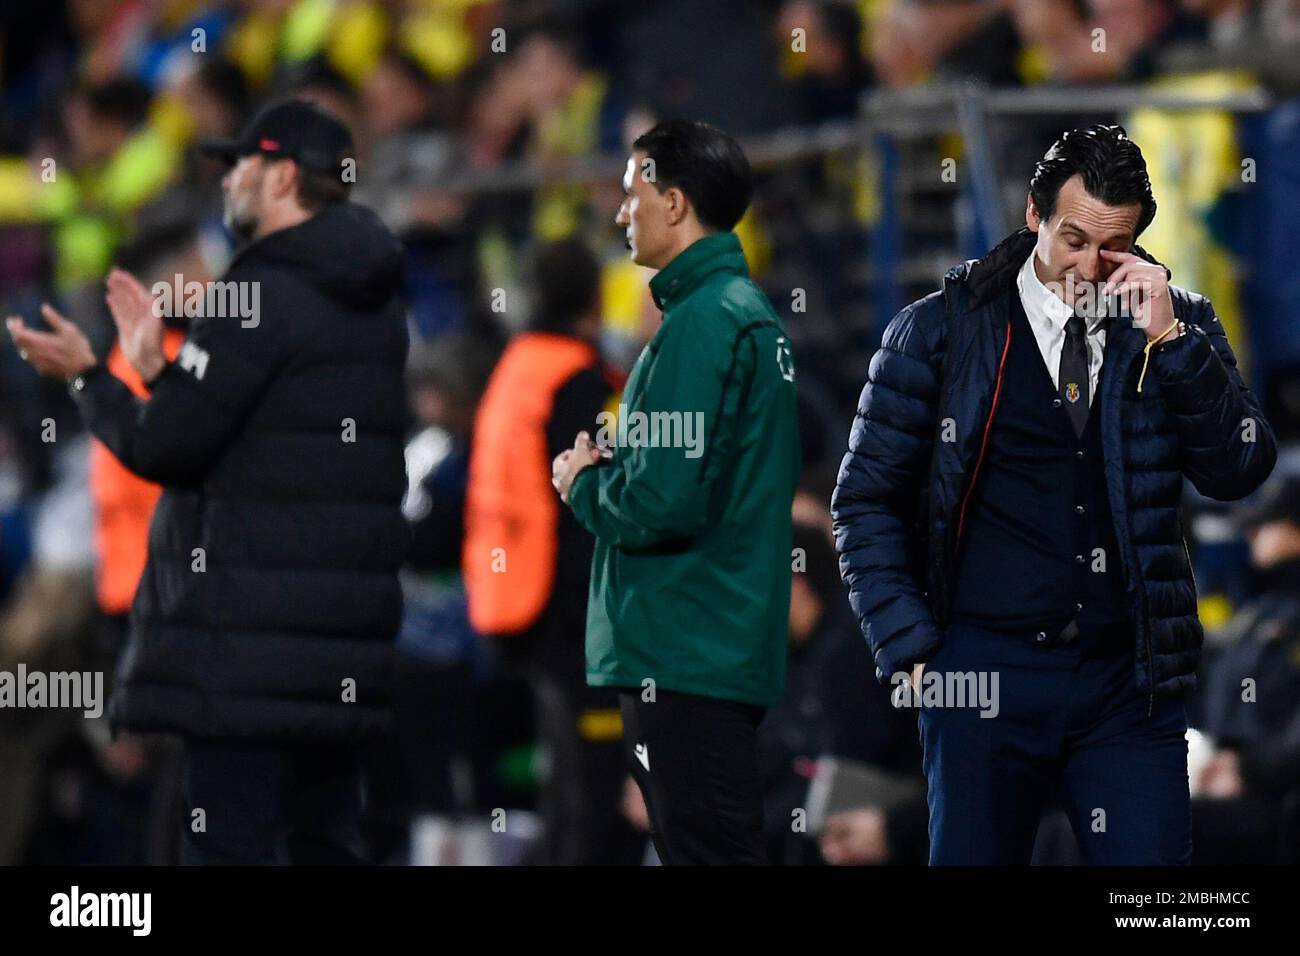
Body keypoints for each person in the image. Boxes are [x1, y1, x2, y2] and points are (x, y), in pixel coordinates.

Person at [831, 124, 1277, 865]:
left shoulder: (1178, 323)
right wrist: (910, 651)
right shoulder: (938, 330)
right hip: (978, 677)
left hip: (1128, 683)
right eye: (1072, 238)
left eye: (1112, 246)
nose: (1088, 265)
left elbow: (1240, 469)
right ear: (1033, 215)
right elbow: (864, 500)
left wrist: (1172, 347)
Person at [7, 99, 410, 865]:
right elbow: (268, 432)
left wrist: (92, 376)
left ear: (284, 176)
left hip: (250, 653)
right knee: (324, 844)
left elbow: (167, 445)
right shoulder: (367, 297)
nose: (228, 181)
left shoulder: (256, 294)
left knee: (227, 848)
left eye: (242, 166)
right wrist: (164, 366)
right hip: (340, 650)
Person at [550, 119, 801, 865]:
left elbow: (664, 502)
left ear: (675, 202)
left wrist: (583, 483)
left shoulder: (702, 323)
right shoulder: (731, 314)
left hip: (686, 647)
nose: (621, 213)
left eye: (633, 195)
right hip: (702, 644)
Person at [465, 238, 639, 865]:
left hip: (520, 605)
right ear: (594, 296)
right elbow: (595, 501)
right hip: (575, 615)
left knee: (568, 800)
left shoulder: (517, 366)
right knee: (599, 809)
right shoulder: (579, 379)